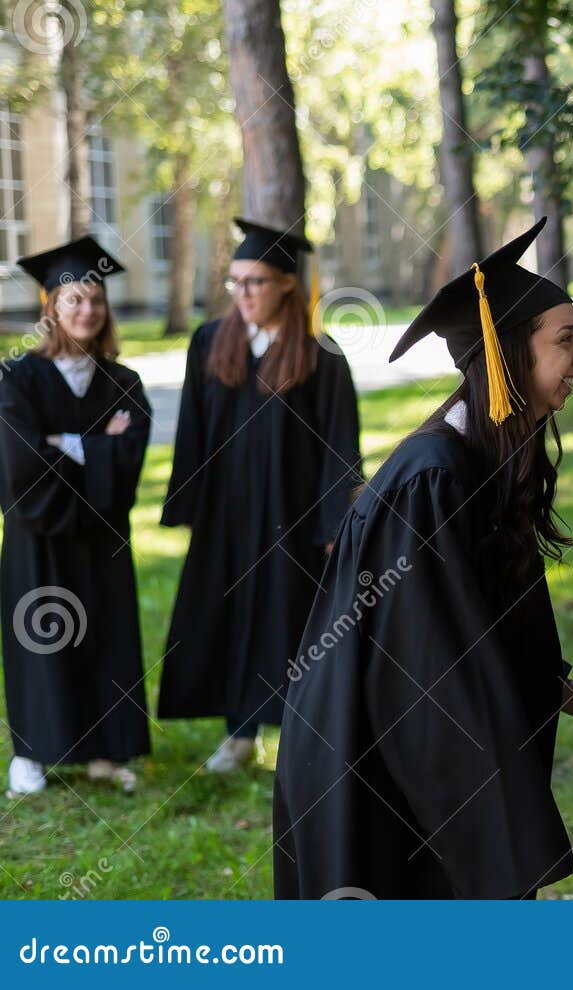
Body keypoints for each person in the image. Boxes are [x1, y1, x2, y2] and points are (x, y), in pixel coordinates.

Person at [273, 220, 573, 899]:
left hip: (413, 759)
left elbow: (476, 630)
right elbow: (427, 671)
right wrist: (501, 829)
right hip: (374, 765)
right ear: (509, 355)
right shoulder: (433, 480)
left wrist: (560, 692)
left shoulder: (483, 465)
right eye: (565, 339)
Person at [158, 219, 361, 771]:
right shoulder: (210, 342)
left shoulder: (321, 355)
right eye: (235, 283)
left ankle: (303, 732)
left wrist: (331, 525)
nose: (243, 295)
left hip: (291, 517)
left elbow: (340, 447)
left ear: (287, 284)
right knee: (229, 614)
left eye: (256, 282)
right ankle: (239, 733)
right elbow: (192, 433)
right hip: (227, 514)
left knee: (292, 619)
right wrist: (190, 507)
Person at [1, 237, 151, 796]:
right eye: (73, 300)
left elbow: (130, 458)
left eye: (95, 300)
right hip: (37, 534)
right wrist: (96, 447)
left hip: (102, 536)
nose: (86, 310)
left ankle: (105, 752)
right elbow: (20, 463)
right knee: (41, 642)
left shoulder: (124, 383)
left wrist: (63, 444)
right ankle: (32, 755)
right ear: (51, 307)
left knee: (105, 638)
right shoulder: (15, 378)